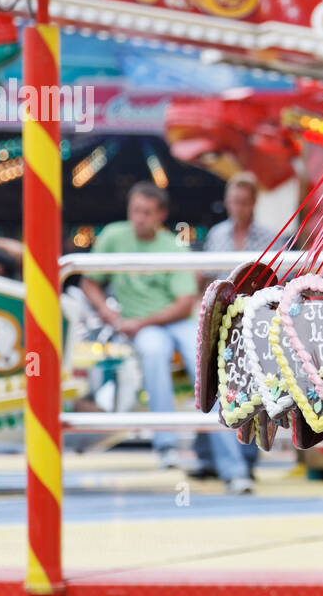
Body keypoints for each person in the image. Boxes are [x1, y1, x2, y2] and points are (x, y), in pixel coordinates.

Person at [78, 182, 253, 494]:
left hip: (174, 321)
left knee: (208, 370)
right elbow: (90, 280)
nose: (139, 218)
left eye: (146, 212)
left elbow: (184, 303)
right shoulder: (113, 236)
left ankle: (234, 470)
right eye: (135, 211)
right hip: (145, 327)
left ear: (161, 214)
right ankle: (166, 444)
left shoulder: (172, 247)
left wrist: (136, 322)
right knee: (154, 351)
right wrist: (108, 313)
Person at [195, 173, 277, 480]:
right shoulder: (217, 234)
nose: (238, 207)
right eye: (234, 201)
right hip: (220, 322)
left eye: (244, 202)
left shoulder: (272, 236)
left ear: (253, 202)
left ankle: (246, 460)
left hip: (254, 323)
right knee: (210, 384)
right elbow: (204, 278)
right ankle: (207, 458)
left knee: (252, 386)